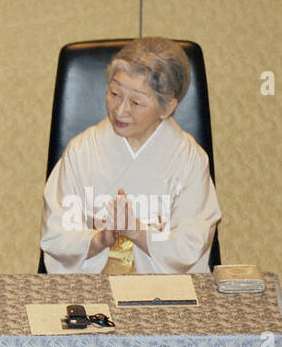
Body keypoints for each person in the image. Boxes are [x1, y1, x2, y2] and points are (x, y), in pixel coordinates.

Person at [40, 37, 221, 274]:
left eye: (136, 102)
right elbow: (56, 235)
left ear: (167, 108)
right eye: (115, 93)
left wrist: (137, 232)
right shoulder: (83, 150)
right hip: (90, 287)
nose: (120, 110)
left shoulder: (188, 160)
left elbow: (191, 246)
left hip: (164, 293)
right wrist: (100, 239)